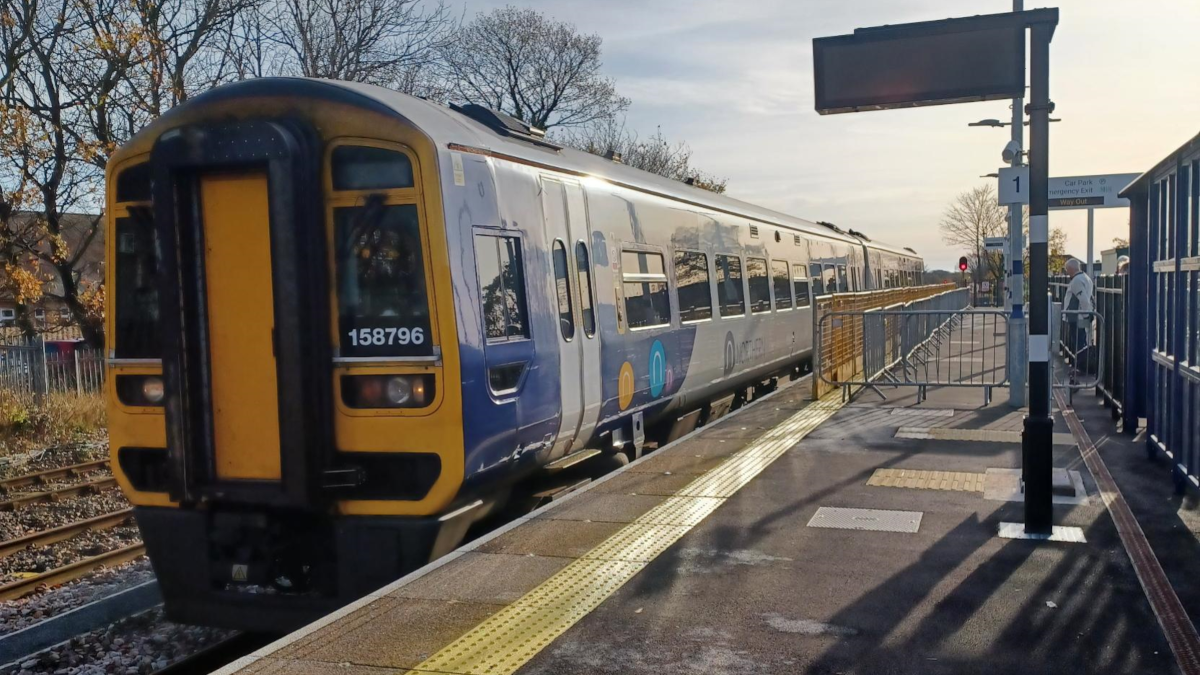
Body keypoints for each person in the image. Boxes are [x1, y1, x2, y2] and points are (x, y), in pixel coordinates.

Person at [1062, 258, 1094, 376]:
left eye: (1067, 269)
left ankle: (1080, 367)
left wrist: (1086, 315)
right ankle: (1081, 365)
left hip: (1076, 317)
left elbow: (1083, 299)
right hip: (1080, 316)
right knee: (1081, 341)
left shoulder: (1076, 281)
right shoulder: (1086, 278)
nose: (1066, 272)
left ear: (1071, 269)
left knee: (1078, 342)